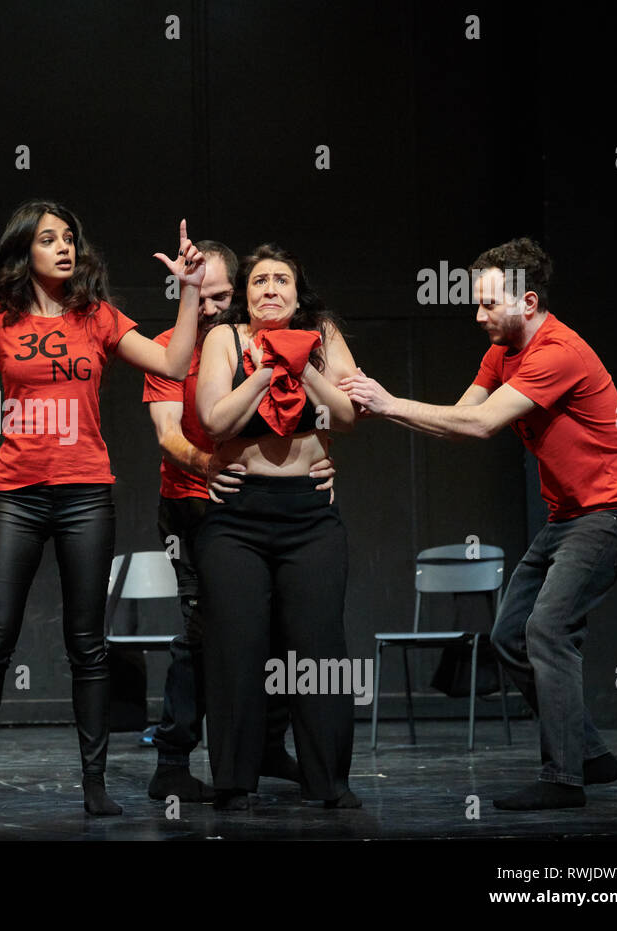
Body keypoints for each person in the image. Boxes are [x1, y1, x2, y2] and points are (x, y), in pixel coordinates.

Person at [0, 199, 204, 815]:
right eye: (48, 240)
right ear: (25, 253)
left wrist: (191, 291)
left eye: (69, 238)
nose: (64, 248)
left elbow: (172, 362)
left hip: (86, 493)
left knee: (88, 645)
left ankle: (95, 786)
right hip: (17, 495)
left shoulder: (99, 319)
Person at [340, 237, 617, 811]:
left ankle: (563, 779)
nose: (479, 316)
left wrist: (390, 403)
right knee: (510, 636)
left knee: (549, 632)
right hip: (567, 517)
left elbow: (482, 424)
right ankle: (590, 754)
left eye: (488, 305)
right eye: (475, 304)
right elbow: (461, 422)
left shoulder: (558, 351)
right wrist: (383, 408)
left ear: (528, 301)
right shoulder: (502, 351)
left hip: (612, 513)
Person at [142, 239, 329, 803]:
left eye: (221, 294)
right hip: (192, 503)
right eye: (199, 294)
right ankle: (173, 759)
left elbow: (297, 416)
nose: (209, 306)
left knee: (270, 630)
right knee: (201, 631)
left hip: (256, 502)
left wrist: (317, 460)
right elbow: (168, 432)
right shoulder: (169, 348)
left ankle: (266, 745)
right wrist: (209, 463)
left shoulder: (253, 343)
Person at [194, 243, 360, 811]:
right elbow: (215, 421)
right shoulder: (225, 338)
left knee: (319, 651)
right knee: (237, 647)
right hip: (238, 517)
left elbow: (348, 414)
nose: (271, 289)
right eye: (259, 280)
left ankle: (329, 781)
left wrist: (303, 368)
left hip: (309, 514)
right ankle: (235, 781)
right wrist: (266, 369)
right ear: (245, 293)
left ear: (297, 289)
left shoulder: (325, 333)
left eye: (281, 280)